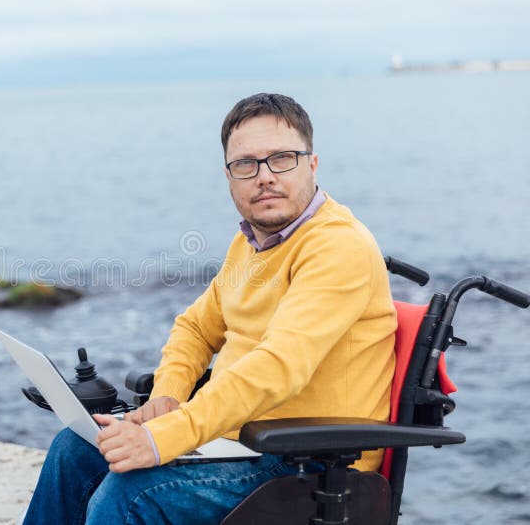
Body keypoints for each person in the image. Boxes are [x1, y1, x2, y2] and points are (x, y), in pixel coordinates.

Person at [22, 93, 397, 524]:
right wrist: (167, 396)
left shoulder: (337, 246)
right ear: (229, 176)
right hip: (239, 443)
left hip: (312, 461)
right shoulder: (252, 243)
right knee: (75, 449)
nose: (265, 176)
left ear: (311, 165)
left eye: (282, 159)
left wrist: (166, 437)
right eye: (247, 164)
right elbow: (196, 329)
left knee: (134, 493)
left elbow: (278, 367)